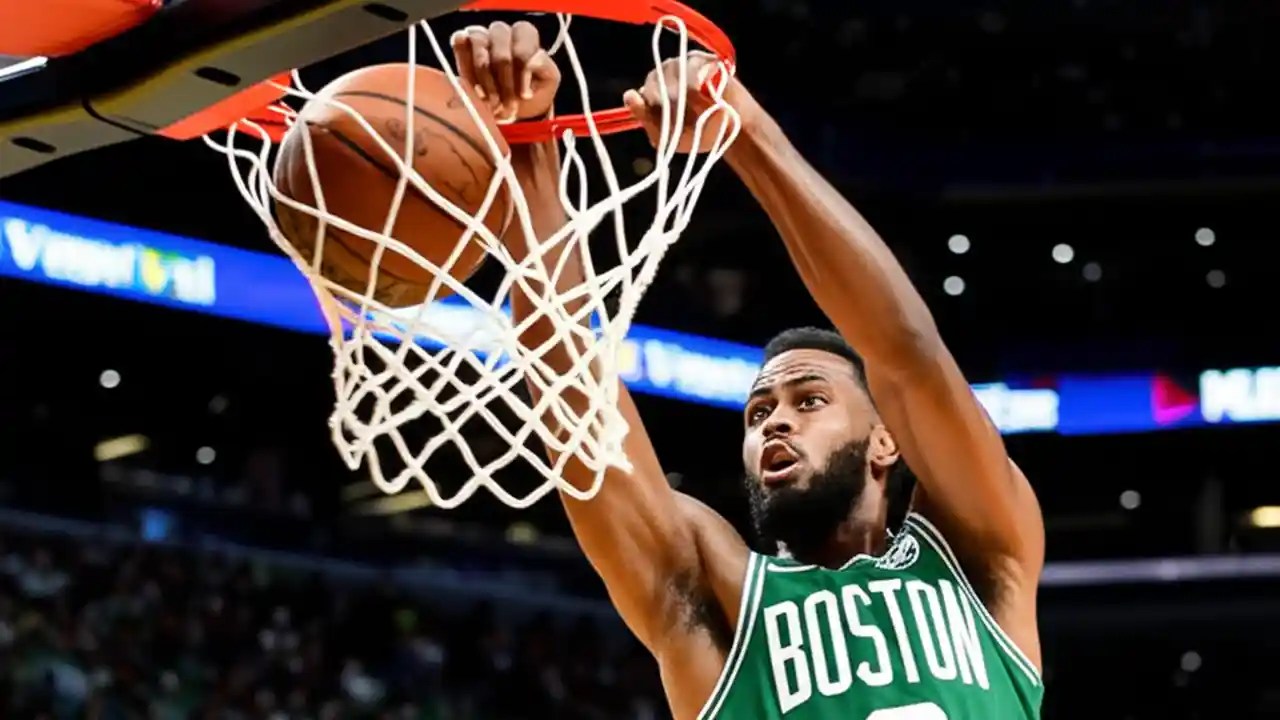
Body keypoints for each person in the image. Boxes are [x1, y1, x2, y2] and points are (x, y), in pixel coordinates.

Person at [451, 20, 1045, 720]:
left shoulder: (977, 556)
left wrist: (745, 128)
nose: (776, 420)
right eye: (759, 412)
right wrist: (529, 150)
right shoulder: (715, 591)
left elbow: (907, 354)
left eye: (810, 399)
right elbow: (581, 416)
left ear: (887, 440)